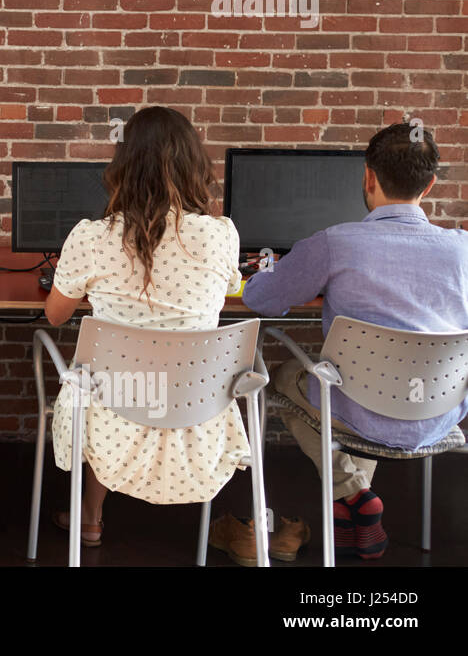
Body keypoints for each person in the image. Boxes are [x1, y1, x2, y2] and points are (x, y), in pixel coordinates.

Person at [237, 121, 468, 562]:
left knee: (288, 377)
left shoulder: (335, 243)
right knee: (356, 380)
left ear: (368, 177)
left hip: (359, 409)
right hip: (438, 411)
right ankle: (351, 519)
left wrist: (269, 270)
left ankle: (354, 493)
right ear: (431, 184)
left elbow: (261, 298)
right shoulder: (463, 250)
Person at [43, 106, 248, 548]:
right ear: (194, 166)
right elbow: (232, 289)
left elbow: (55, 316)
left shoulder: (91, 237)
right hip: (194, 401)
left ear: (122, 167)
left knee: (102, 379)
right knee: (126, 378)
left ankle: (90, 519)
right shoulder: (221, 235)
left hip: (114, 405)